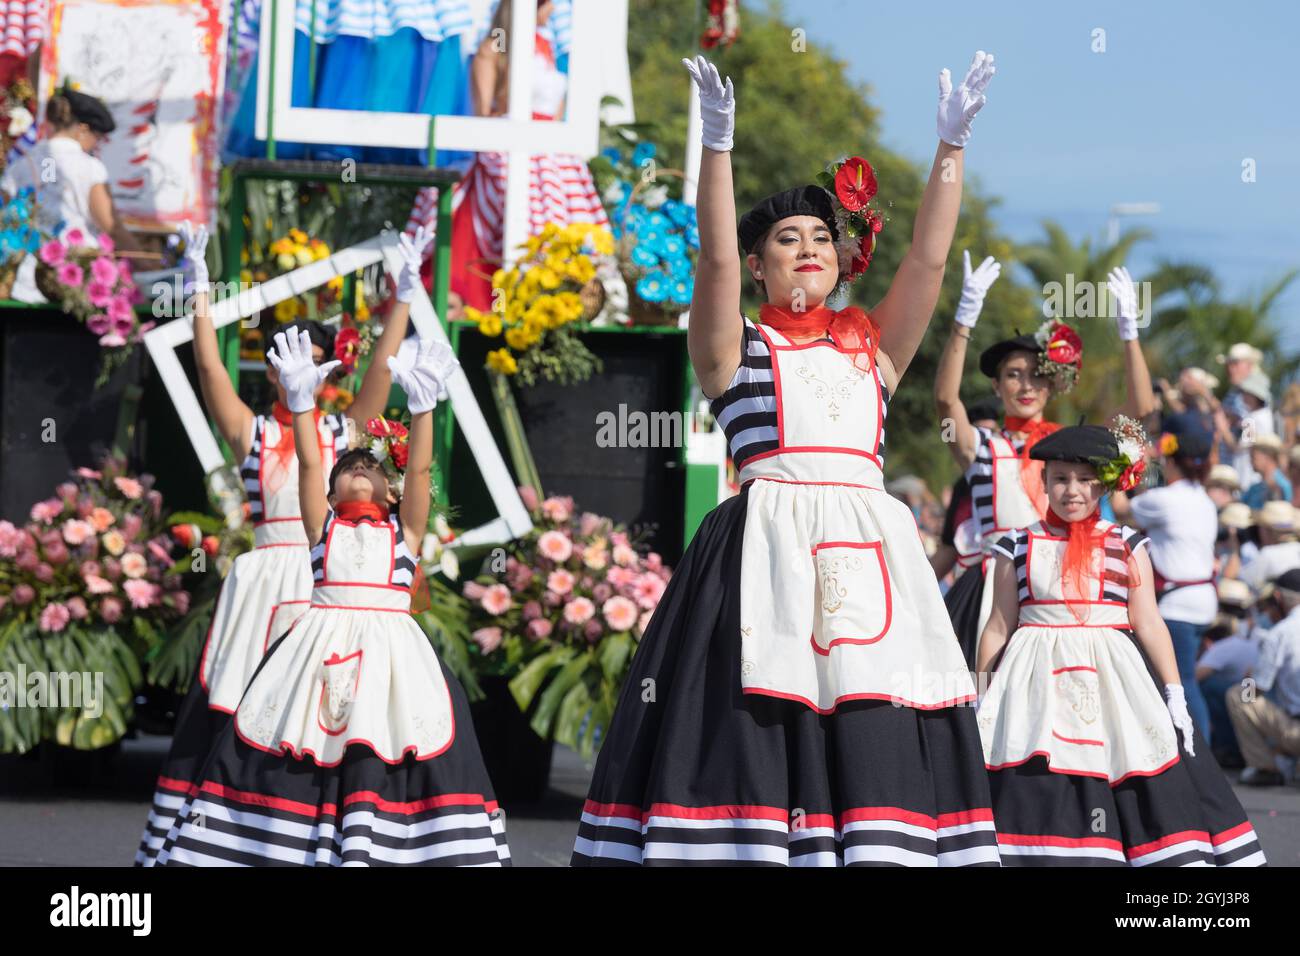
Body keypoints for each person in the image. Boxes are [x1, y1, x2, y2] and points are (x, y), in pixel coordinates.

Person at [572, 52, 1002, 867]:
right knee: (760, 715)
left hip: (871, 557)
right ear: (763, 265)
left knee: (875, 710)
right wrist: (717, 142)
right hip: (762, 550)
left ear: (841, 262)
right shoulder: (735, 350)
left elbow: (928, 264)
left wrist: (950, 148)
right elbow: (714, 260)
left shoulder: (874, 353)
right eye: (784, 239)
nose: (806, 247)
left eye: (819, 237)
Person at [133, 225, 433, 865]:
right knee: (236, 709)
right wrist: (200, 282)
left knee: (331, 718)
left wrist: (404, 294)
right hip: (266, 583)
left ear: (324, 369)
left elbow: (382, 369)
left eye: (307, 355)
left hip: (332, 580)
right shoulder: (253, 429)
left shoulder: (343, 429)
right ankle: (217, 836)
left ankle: (321, 833)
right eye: (277, 357)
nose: (289, 366)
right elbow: (209, 366)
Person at [156, 328, 509, 866]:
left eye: (371, 467)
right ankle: (284, 845)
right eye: (350, 467)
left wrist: (423, 409)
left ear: (392, 494)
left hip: (393, 662)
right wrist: (300, 406)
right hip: (316, 657)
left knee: (390, 743)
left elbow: (417, 468)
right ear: (328, 494)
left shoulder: (405, 535)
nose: (359, 468)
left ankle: (391, 847)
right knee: (298, 751)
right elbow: (311, 462)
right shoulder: (321, 530)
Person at [975, 422, 1265, 866]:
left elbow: (1148, 621)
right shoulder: (1015, 545)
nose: (1073, 490)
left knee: (1128, 760)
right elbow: (998, 624)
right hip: (1034, 682)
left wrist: (1174, 693)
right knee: (1033, 766)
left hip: (1113, 680)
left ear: (1104, 485)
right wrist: (983, 692)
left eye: (1086, 479)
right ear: (1044, 482)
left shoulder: (1126, 543)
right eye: (1060, 478)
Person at [437, 0, 607, 312]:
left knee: (572, 223)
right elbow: (484, 116)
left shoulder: (548, 50)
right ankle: (517, 293)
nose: (552, 10)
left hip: (552, 155)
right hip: (507, 147)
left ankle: (559, 296)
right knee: (525, 213)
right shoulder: (493, 49)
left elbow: (555, 112)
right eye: (544, 4)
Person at [1112, 425, 1219, 742]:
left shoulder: (1164, 500)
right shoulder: (1206, 500)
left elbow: (1120, 510)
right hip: (1202, 601)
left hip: (1178, 605)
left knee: (1182, 681)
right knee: (1187, 679)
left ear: (1173, 463)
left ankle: (1199, 754)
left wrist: (1119, 472)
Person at [0, 83, 139, 253]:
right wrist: (147, 263)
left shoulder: (26, 161)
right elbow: (111, 226)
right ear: (83, 130)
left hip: (26, 268)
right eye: (98, 137)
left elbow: (43, 189)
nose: (96, 144)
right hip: (70, 265)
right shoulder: (90, 167)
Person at [1225, 568, 1300, 787]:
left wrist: (1249, 677)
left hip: (1295, 731)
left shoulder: (1281, 632)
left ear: (1277, 597)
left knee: (1237, 695)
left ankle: (1264, 767)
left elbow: (1257, 689)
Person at [1196, 578, 1258, 768]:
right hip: (1255, 697)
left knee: (1206, 686)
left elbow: (1194, 677)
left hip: (1246, 699)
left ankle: (1224, 747)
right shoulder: (1260, 634)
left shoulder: (1226, 646)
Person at [1234, 501, 1300, 595]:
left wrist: (1234, 548)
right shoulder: (1297, 548)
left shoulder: (1269, 553)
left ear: (1266, 530)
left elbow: (1244, 580)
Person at [1242, 433, 1292, 509]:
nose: (1250, 461)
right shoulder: (1254, 488)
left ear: (1267, 457)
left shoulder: (1283, 486)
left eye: (1253, 457)